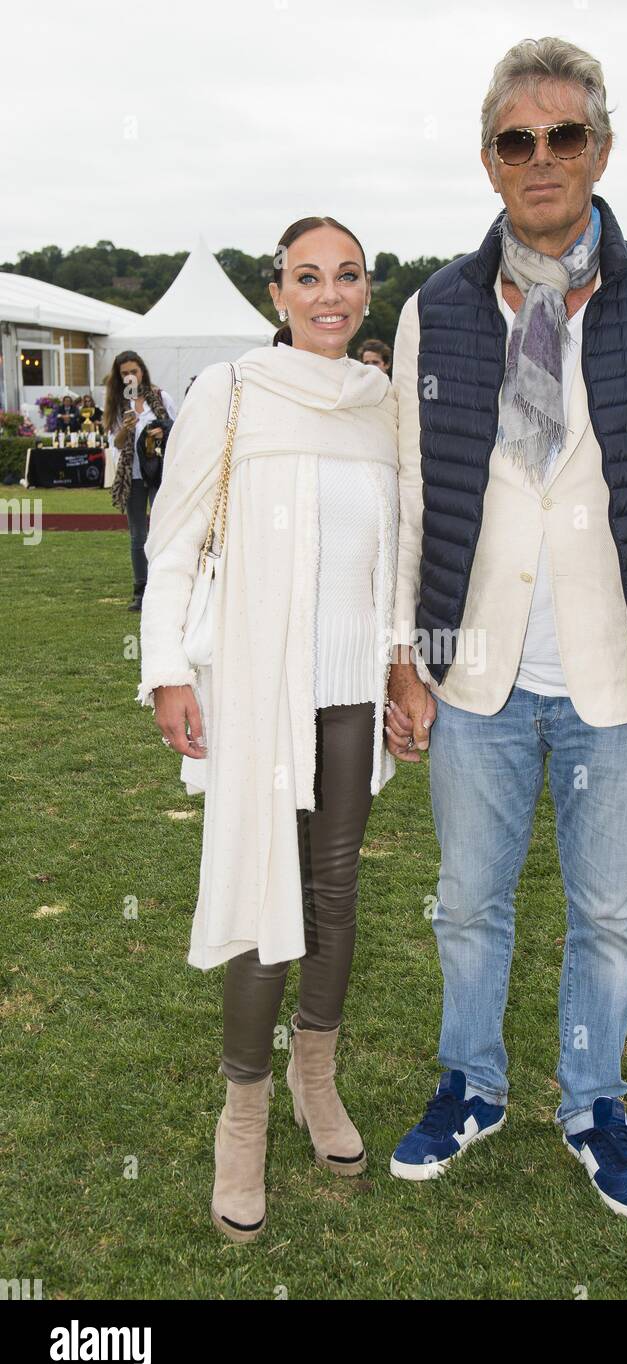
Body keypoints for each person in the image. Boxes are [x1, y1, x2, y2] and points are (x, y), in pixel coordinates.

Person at [385, 36, 627, 1221]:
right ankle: (471, 1084)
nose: (540, 158)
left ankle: (592, 1099)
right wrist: (406, 651)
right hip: (474, 675)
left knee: (609, 916)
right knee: (467, 904)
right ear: (488, 161)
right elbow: (413, 501)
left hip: (622, 680)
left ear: (600, 148)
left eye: (563, 136)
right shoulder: (434, 308)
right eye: (515, 140)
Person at [136, 216, 399, 1243]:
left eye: (345, 276)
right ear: (277, 292)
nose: (327, 294)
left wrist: (400, 662)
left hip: (350, 692)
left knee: (336, 889)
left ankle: (315, 1081)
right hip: (254, 683)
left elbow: (401, 548)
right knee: (264, 889)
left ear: (366, 290)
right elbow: (174, 537)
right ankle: (240, 1117)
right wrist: (165, 670)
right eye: (306, 277)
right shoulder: (233, 390)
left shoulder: (380, 405)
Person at [105, 352, 177, 611]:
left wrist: (162, 429)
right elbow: (116, 442)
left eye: (133, 371)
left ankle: (165, 587)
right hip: (132, 477)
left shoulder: (159, 397)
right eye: (124, 373)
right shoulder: (117, 404)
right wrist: (127, 428)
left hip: (157, 473)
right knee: (138, 535)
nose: (129, 376)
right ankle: (141, 590)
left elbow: (177, 427)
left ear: (142, 372)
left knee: (162, 531)